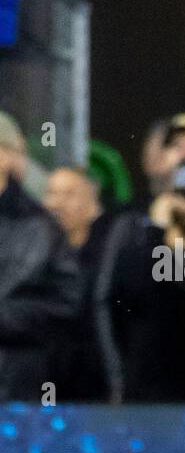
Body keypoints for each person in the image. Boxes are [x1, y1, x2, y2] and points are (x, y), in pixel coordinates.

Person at [97, 159, 185, 402]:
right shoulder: (140, 238)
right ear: (170, 199)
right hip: (147, 391)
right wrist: (157, 234)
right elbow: (129, 299)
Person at [0, 116, 81, 402]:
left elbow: (67, 305)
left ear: (7, 156)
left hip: (18, 388)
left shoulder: (42, 227)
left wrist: (6, 316)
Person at [43, 166, 111, 400]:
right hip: (50, 379)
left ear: (92, 198)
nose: (55, 204)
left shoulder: (111, 249)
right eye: (51, 193)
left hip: (98, 382)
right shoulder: (39, 251)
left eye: (68, 194)